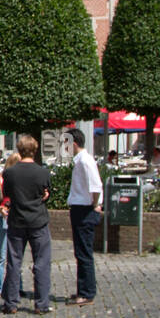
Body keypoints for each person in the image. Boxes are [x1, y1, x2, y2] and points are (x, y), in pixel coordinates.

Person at [0, 135, 53, 314]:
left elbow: (7, 194)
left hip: (17, 220)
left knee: (14, 262)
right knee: (42, 262)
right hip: (38, 220)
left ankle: (11, 303)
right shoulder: (43, 172)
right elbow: (45, 193)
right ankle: (41, 304)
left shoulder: (9, 173)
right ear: (35, 150)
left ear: (19, 150)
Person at [66, 128, 102, 306]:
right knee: (80, 252)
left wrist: (94, 205)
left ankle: (87, 292)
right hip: (80, 208)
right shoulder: (80, 160)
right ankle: (83, 289)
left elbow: (95, 186)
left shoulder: (85, 161)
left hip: (84, 209)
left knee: (84, 252)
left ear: (73, 144)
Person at [0, 155, 20, 297]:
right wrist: (0, 208)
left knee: (16, 255)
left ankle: (16, 286)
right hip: (2, 219)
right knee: (1, 254)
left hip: (17, 218)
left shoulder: (18, 180)